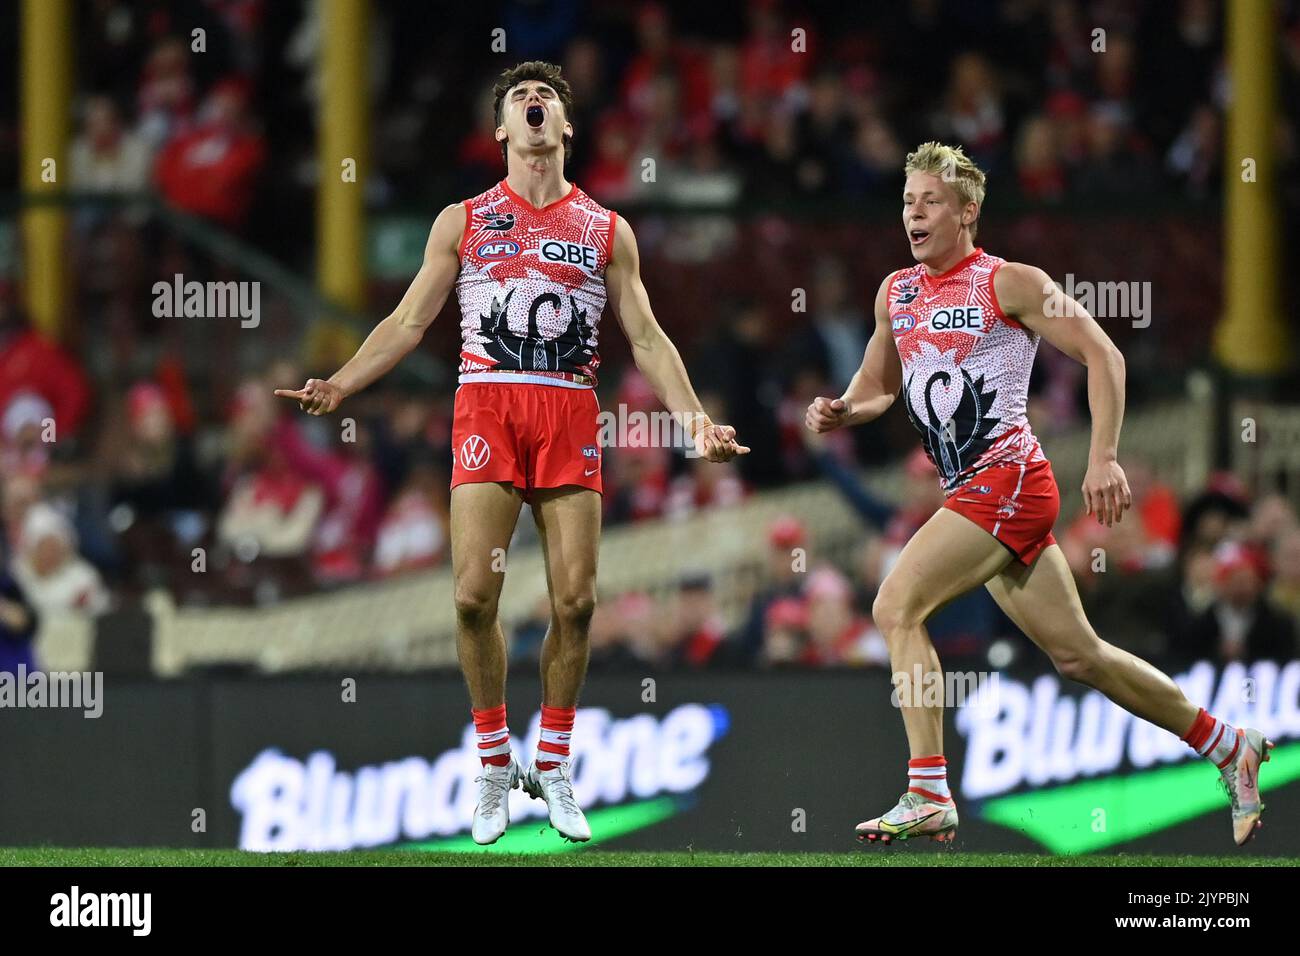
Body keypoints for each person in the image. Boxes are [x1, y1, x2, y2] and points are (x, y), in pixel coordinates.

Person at [276, 62, 746, 845]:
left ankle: (552, 761)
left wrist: (693, 420)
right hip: (488, 400)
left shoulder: (605, 230)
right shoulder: (462, 220)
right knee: (470, 598)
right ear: (502, 129)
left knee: (576, 601)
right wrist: (343, 384)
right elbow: (405, 321)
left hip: (566, 407)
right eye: (519, 100)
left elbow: (648, 338)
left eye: (547, 98)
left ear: (566, 127)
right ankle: (495, 760)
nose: (534, 104)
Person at [806, 142, 1273, 847]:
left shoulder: (1010, 283)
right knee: (1081, 656)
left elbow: (1103, 354)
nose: (914, 213)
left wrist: (1104, 457)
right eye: (907, 201)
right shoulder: (894, 292)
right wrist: (844, 408)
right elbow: (877, 386)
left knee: (893, 604)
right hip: (973, 491)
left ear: (968, 211)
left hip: (1010, 480)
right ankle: (1225, 744)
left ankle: (928, 787)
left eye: (930, 200)